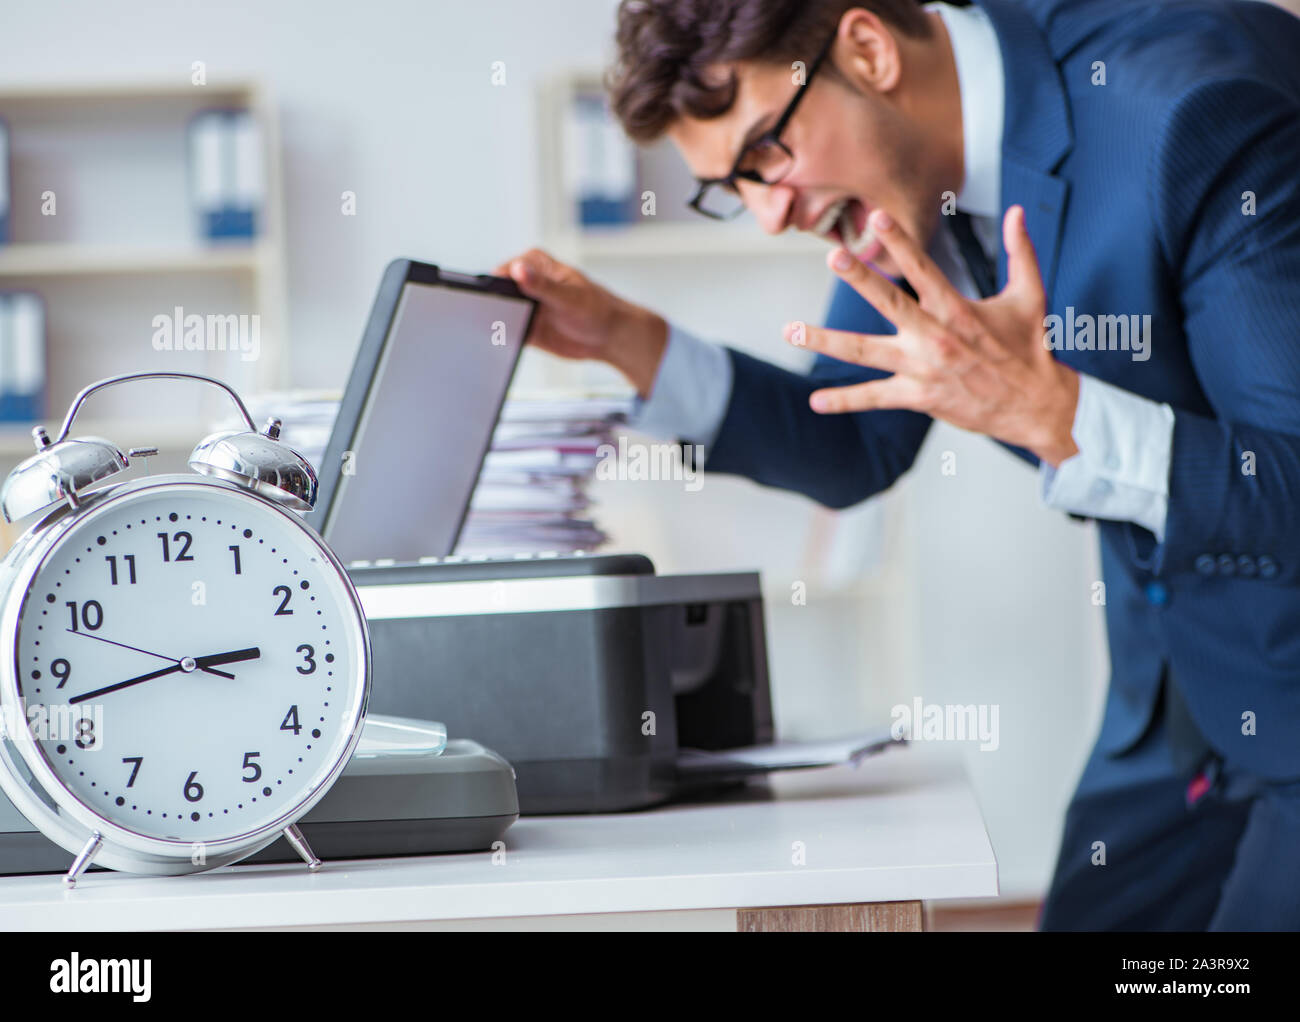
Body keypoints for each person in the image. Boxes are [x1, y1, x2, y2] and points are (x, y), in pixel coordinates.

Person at [499, 0, 1300, 930]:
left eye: (765, 156)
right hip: (1178, 688)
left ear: (869, 50)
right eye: (730, 187)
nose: (768, 214)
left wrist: (1059, 415)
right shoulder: (908, 177)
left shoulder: (1193, 112)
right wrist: (629, 341)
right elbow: (851, 444)